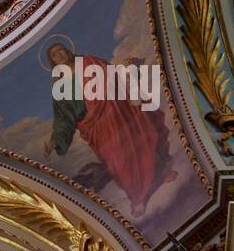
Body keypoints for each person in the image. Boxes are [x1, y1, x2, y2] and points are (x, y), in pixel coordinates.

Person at [43, 42, 176, 218]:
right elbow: (63, 119)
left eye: (61, 49)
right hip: (97, 125)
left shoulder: (90, 61)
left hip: (118, 107)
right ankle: (137, 197)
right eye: (55, 54)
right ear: (53, 63)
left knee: (141, 139)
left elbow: (114, 74)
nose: (60, 53)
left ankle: (159, 174)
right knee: (118, 160)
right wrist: (54, 141)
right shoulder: (60, 86)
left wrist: (130, 68)